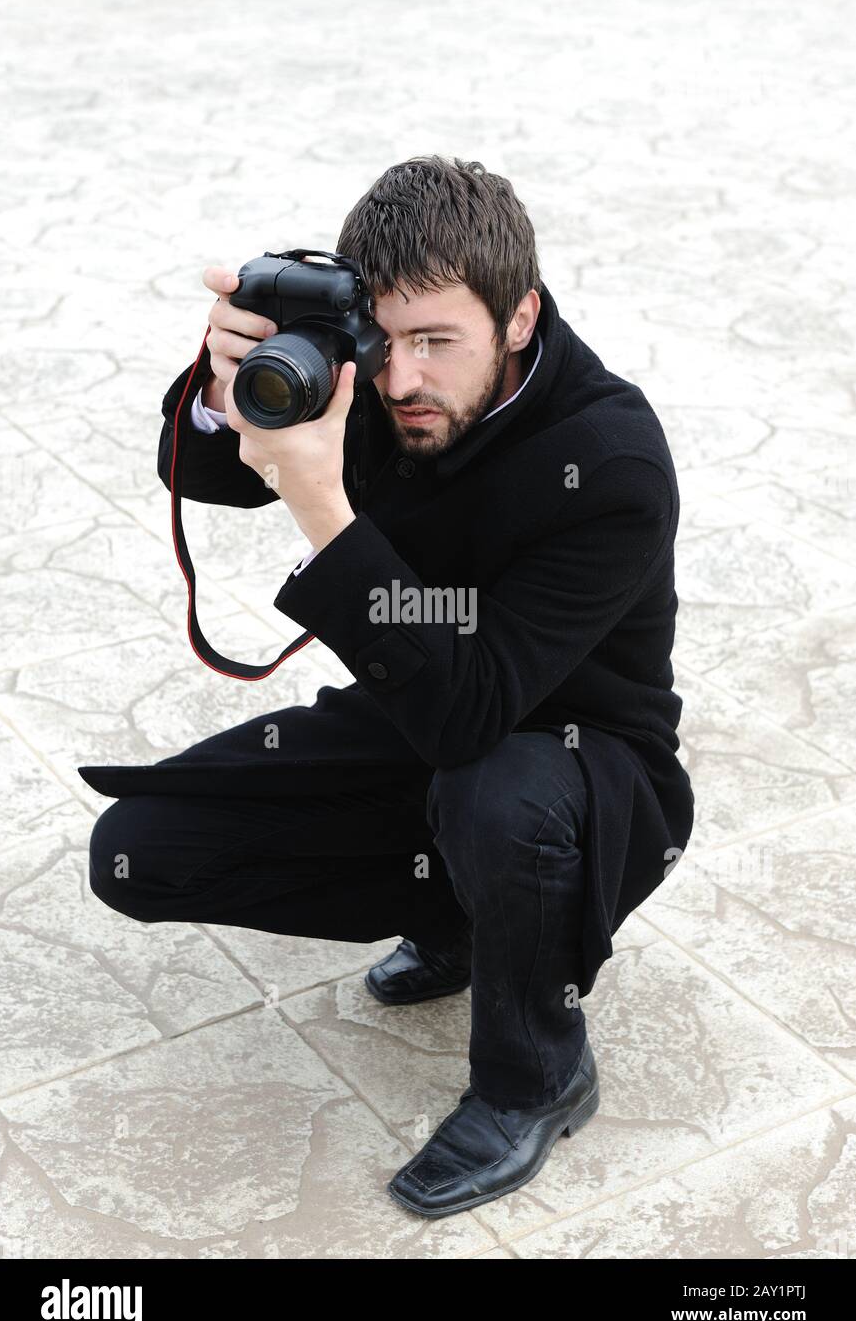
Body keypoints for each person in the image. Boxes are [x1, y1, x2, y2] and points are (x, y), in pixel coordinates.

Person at [80, 155, 694, 1220]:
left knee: (494, 794)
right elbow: (202, 468)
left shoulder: (608, 462)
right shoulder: (377, 374)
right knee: (138, 853)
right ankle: (462, 909)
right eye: (384, 339)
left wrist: (324, 505)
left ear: (518, 318)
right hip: (420, 712)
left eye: (435, 342)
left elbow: (476, 704)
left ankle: (535, 1071)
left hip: (582, 766)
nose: (401, 379)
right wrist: (230, 382)